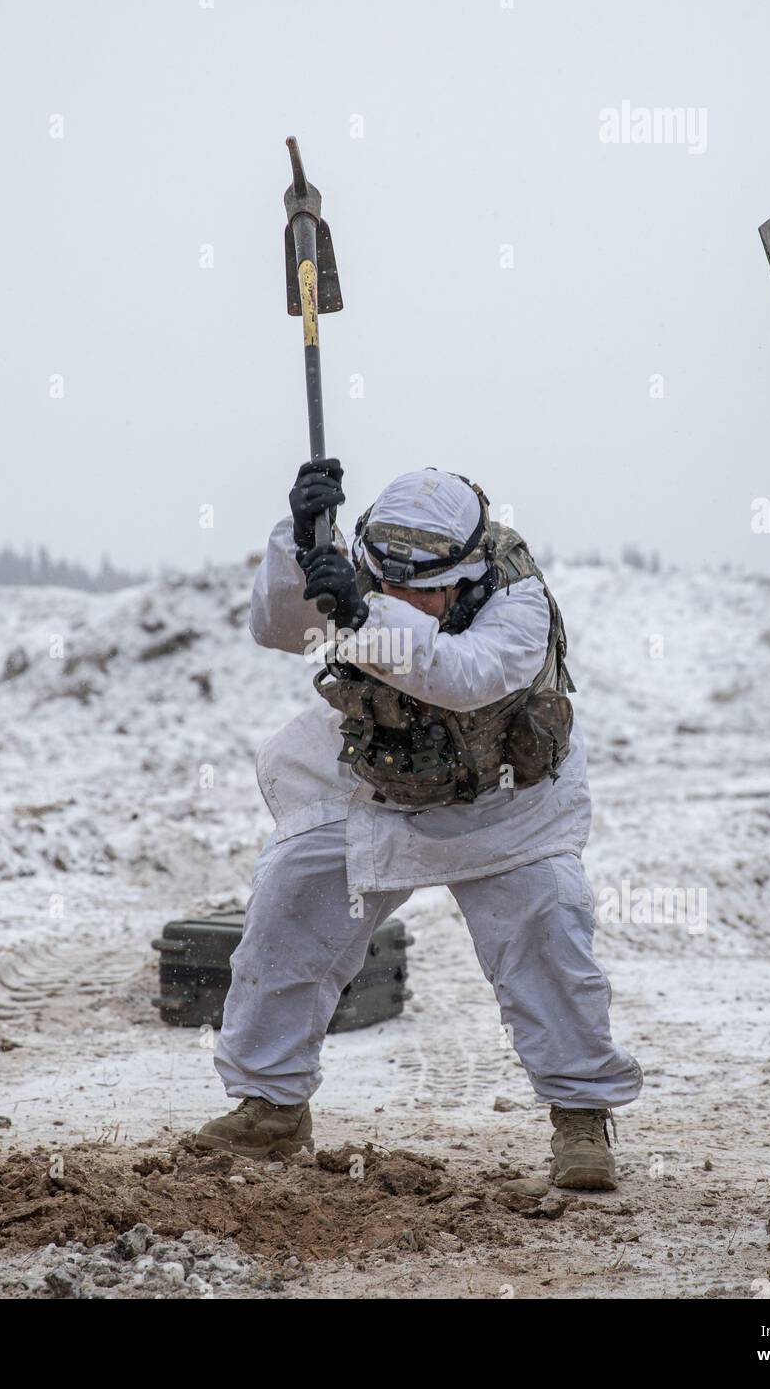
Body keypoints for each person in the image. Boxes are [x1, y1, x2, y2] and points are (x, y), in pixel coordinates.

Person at [192, 461, 641, 1189]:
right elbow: (278, 627)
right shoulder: (361, 573)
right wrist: (301, 544)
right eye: (386, 584)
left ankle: (581, 1116)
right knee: (288, 908)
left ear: (463, 578)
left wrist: (365, 614)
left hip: (507, 805)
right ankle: (270, 1107)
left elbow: (459, 676)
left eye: (419, 591)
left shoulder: (518, 601)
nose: (399, 597)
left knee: (549, 936)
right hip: (377, 787)